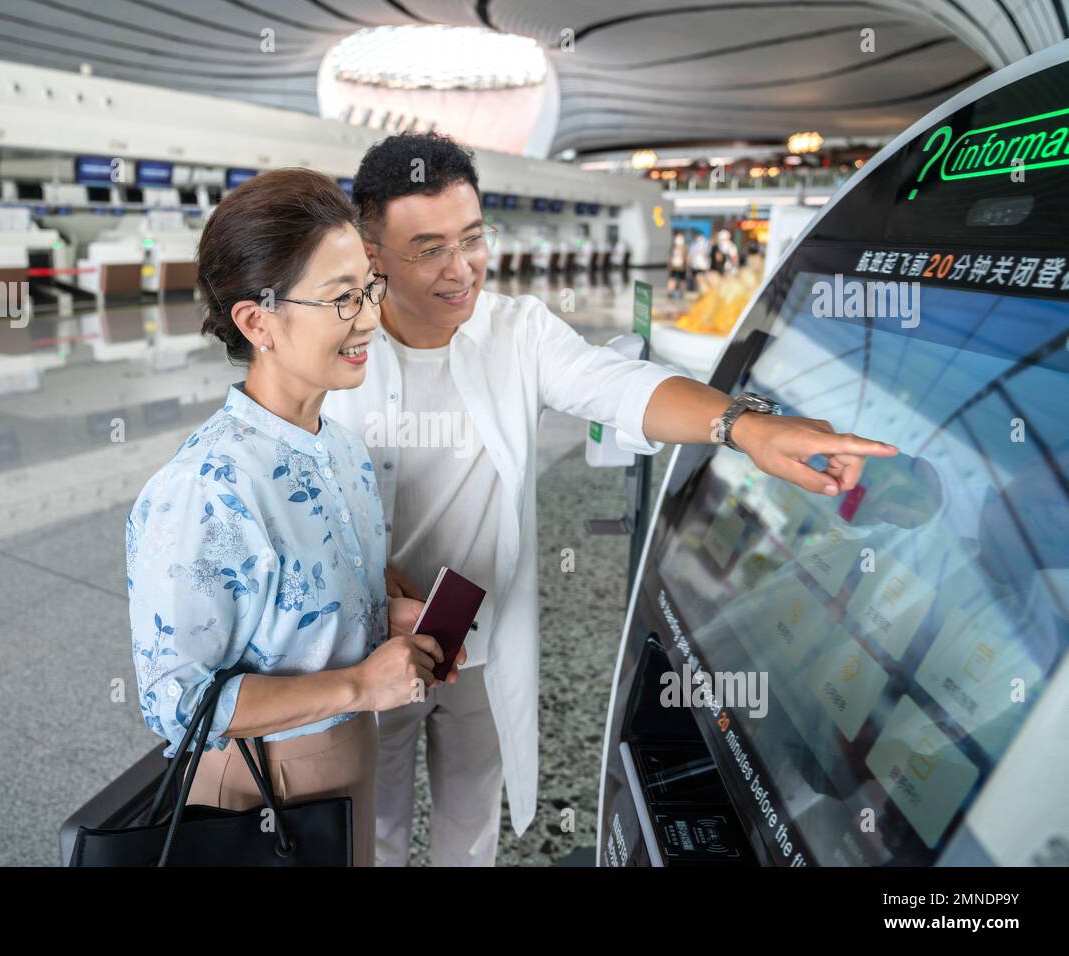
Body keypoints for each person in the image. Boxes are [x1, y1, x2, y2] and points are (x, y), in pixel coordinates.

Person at [322, 132, 897, 866]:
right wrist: (365, 581)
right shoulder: (339, 343)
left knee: (471, 819)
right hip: (371, 642)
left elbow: (616, 385)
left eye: (472, 238)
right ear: (372, 254)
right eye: (427, 248)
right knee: (371, 827)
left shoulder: (516, 331)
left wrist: (739, 424)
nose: (460, 268)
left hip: (477, 637)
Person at [125, 168, 465, 867]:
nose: (371, 316)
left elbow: (310, 602)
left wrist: (388, 615)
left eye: (368, 287)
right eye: (343, 298)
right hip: (260, 783)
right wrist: (358, 685)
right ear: (259, 321)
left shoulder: (340, 447)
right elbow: (178, 703)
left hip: (348, 755)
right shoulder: (206, 489)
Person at [667, 232, 688, 300]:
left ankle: (683, 293)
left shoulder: (684, 248)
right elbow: (670, 256)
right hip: (674, 266)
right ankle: (670, 293)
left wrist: (686, 263)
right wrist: (670, 264)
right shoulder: (673, 247)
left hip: (682, 267)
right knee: (672, 279)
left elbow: (686, 257)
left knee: (682, 280)